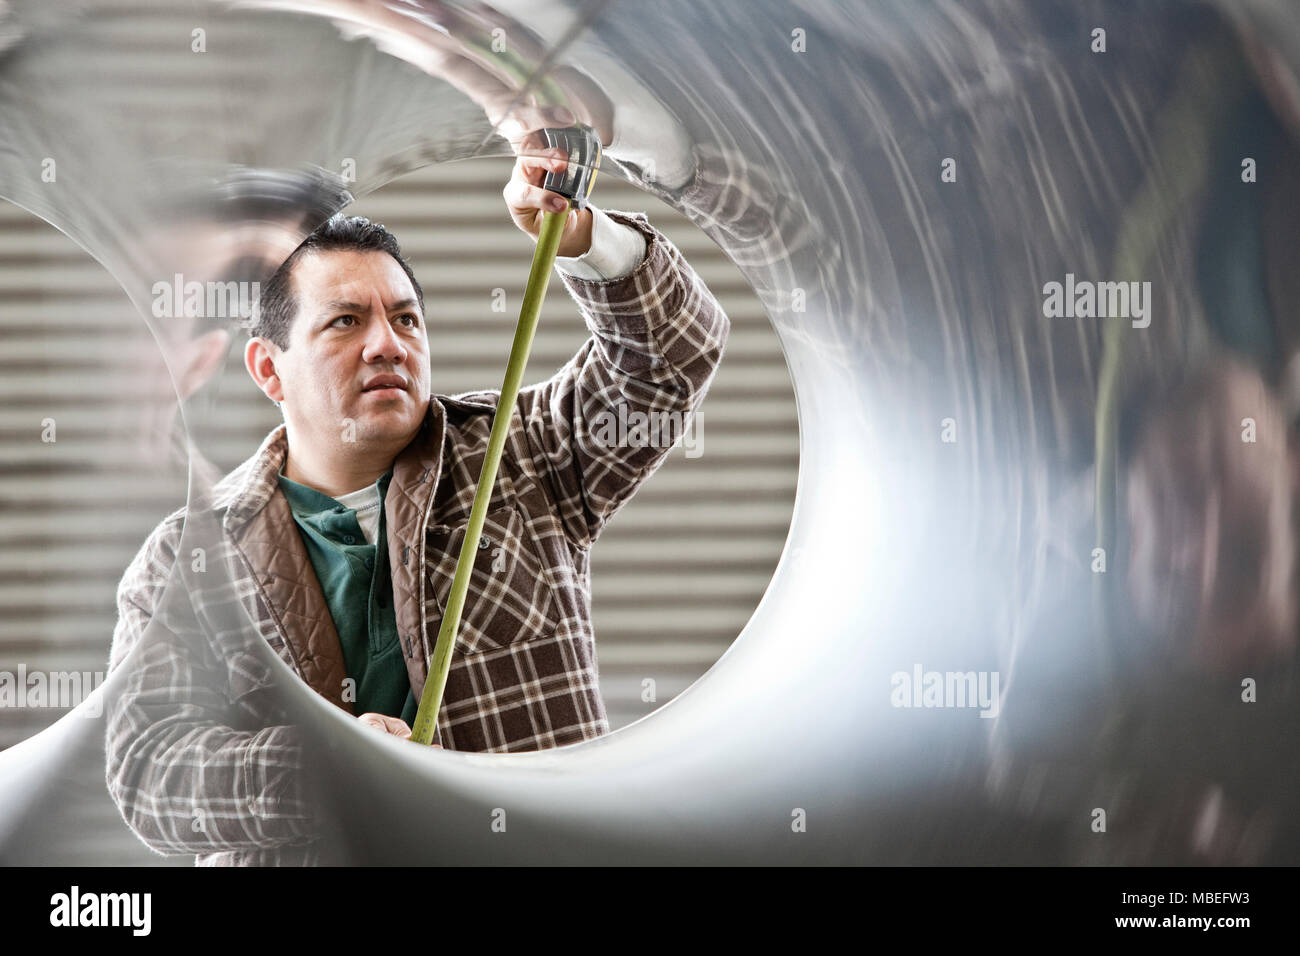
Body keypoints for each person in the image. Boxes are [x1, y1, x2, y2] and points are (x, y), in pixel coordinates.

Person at [105, 133, 731, 865]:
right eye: (346, 321)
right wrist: (327, 765)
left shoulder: (522, 454)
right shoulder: (186, 558)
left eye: (405, 318)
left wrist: (582, 234)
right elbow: (147, 767)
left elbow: (670, 361)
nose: (387, 344)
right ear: (268, 370)